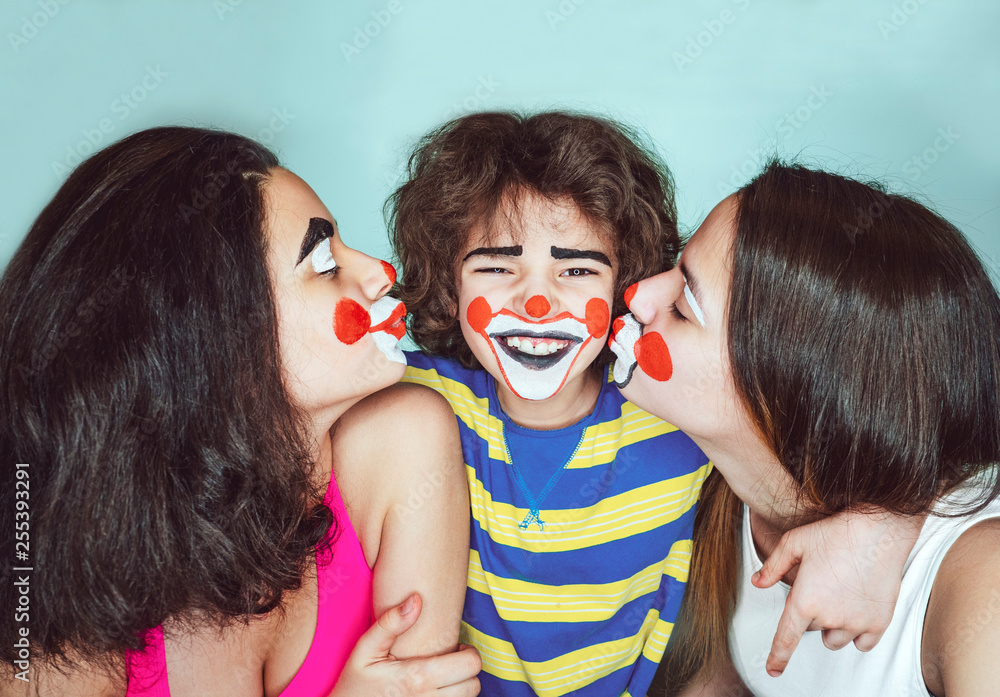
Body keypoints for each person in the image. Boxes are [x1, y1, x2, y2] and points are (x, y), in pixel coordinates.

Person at [388, 112, 918, 697]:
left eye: (577, 269)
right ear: (448, 282)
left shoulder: (674, 414)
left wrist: (886, 525)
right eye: (495, 266)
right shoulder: (411, 402)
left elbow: (853, 443)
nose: (536, 301)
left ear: (624, 285)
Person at [0, 127, 480, 696]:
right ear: (214, 335)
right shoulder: (53, 594)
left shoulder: (406, 439)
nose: (381, 271)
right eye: (324, 263)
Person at [615, 161, 1000, 696]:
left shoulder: (984, 584)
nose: (638, 295)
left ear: (796, 385)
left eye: (682, 306)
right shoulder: (722, 494)